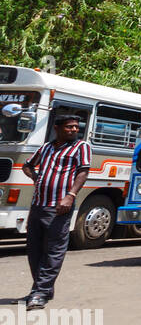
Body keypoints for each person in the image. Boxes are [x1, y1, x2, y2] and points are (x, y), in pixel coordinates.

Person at [20, 114, 93, 309]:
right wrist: (36, 177)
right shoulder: (45, 148)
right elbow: (27, 165)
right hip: (38, 205)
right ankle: (42, 289)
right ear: (57, 128)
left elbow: (83, 172)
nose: (74, 130)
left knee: (53, 251)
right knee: (35, 250)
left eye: (76, 127)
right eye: (69, 127)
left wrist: (70, 195)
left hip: (59, 207)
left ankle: (40, 292)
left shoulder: (81, 147)